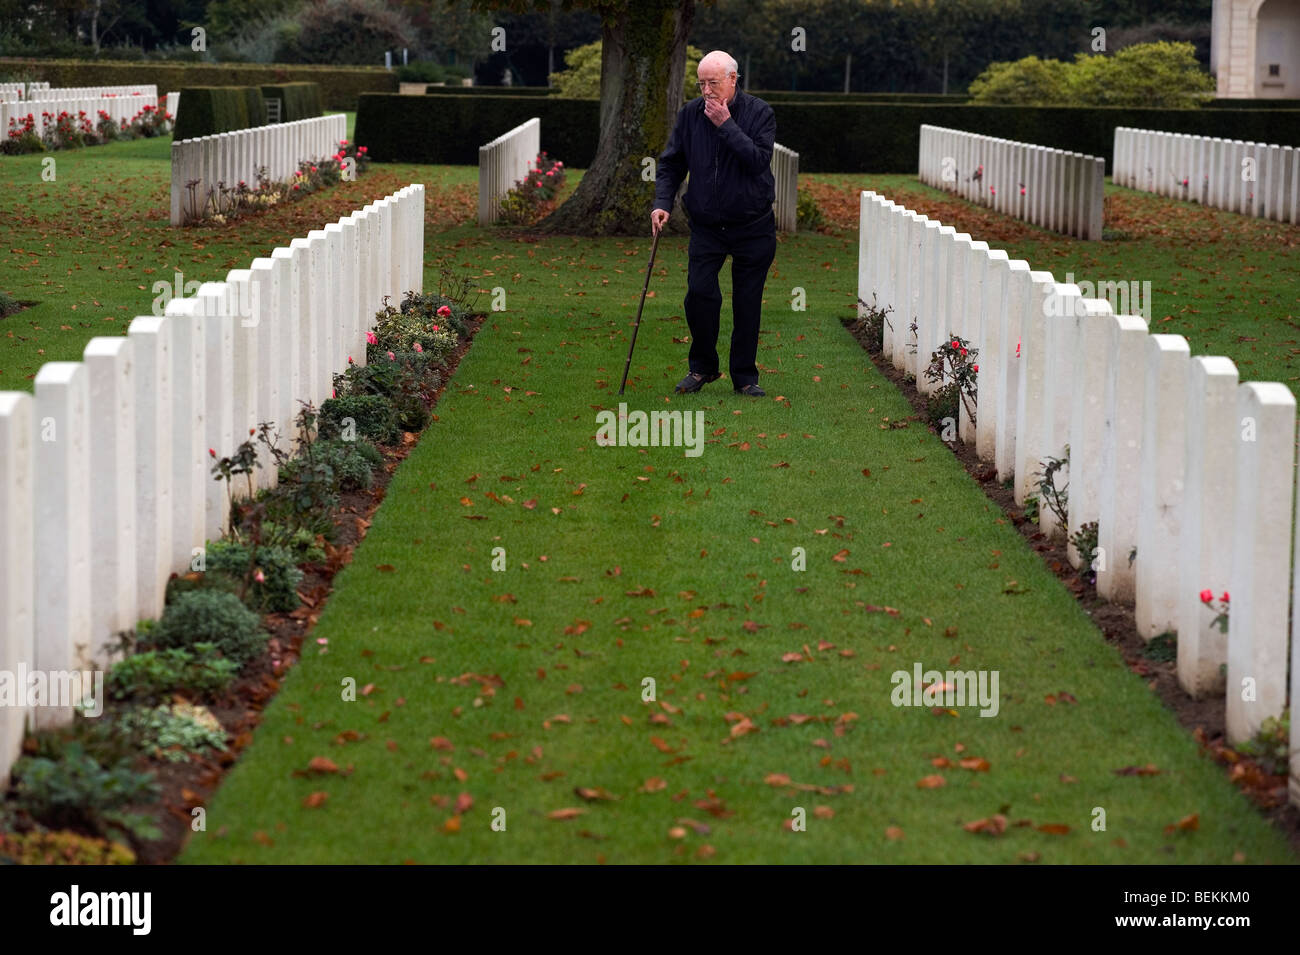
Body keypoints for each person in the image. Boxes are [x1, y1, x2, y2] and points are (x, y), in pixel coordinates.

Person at [652, 50, 777, 398]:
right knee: (699, 294)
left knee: (747, 302)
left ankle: (745, 376)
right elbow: (671, 164)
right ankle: (703, 367)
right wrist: (662, 203)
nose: (706, 90)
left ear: (733, 80)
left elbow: (757, 161)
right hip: (707, 226)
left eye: (713, 83)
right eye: (701, 83)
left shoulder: (759, 113)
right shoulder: (690, 115)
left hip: (753, 225)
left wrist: (726, 125)